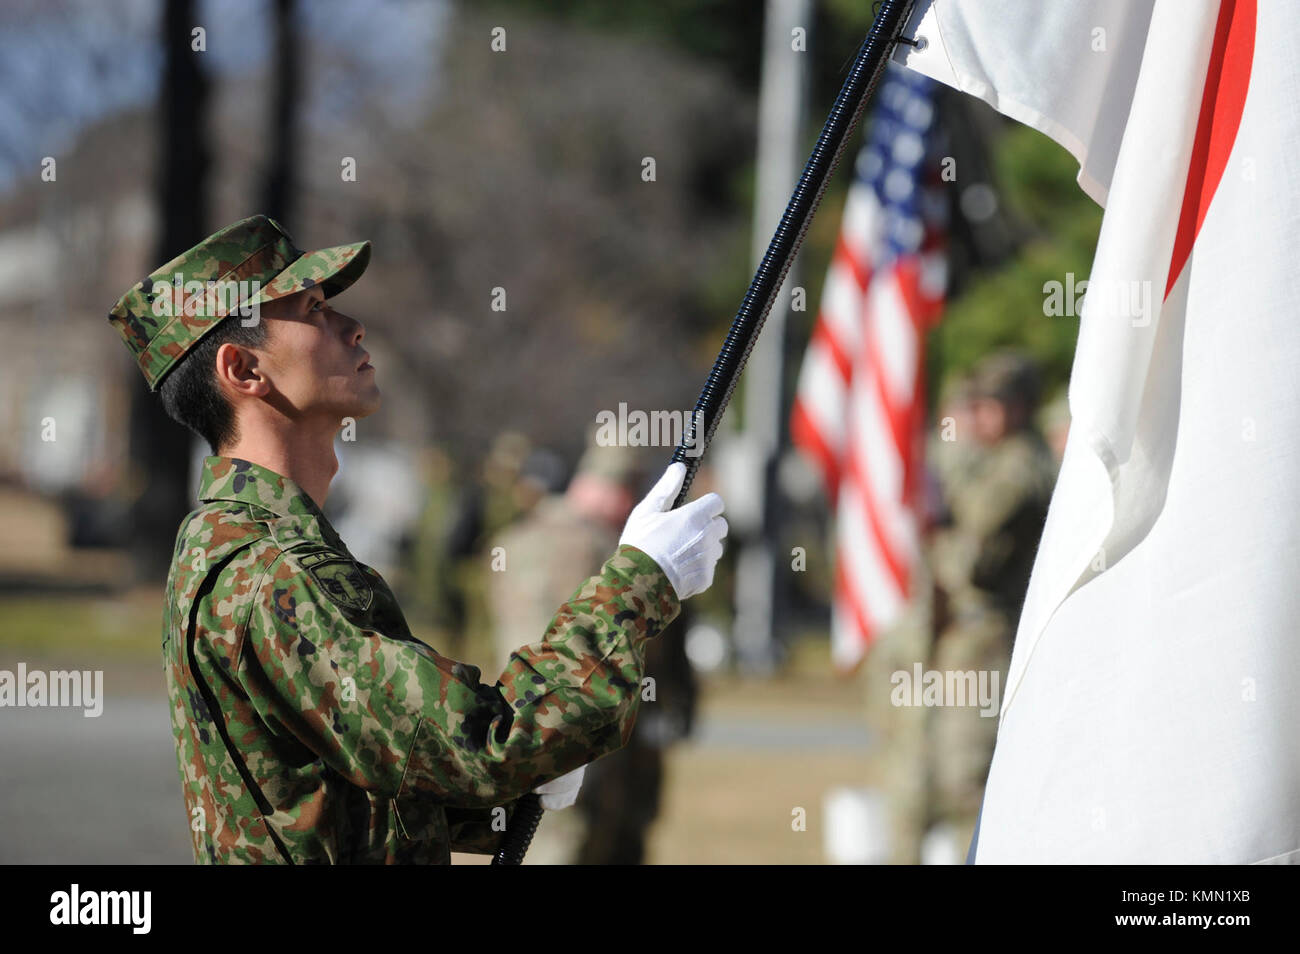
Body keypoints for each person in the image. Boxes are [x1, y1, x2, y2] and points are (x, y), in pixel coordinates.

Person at [106, 214, 728, 864]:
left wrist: (504, 800)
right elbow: (479, 743)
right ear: (244, 370)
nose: (352, 326)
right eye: (314, 309)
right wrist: (639, 581)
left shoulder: (231, 541)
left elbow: (358, 779)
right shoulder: (270, 570)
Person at [487, 439, 698, 863]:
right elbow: (654, 649)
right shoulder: (610, 555)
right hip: (598, 721)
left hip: (517, 716)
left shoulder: (512, 541)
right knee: (592, 839)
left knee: (541, 835)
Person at [923, 351, 1057, 860]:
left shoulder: (1021, 466)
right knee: (949, 779)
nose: (976, 420)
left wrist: (952, 463)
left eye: (989, 407)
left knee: (970, 785)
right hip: (970, 640)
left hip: (990, 642)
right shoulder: (999, 460)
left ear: (1018, 408)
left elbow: (974, 545)